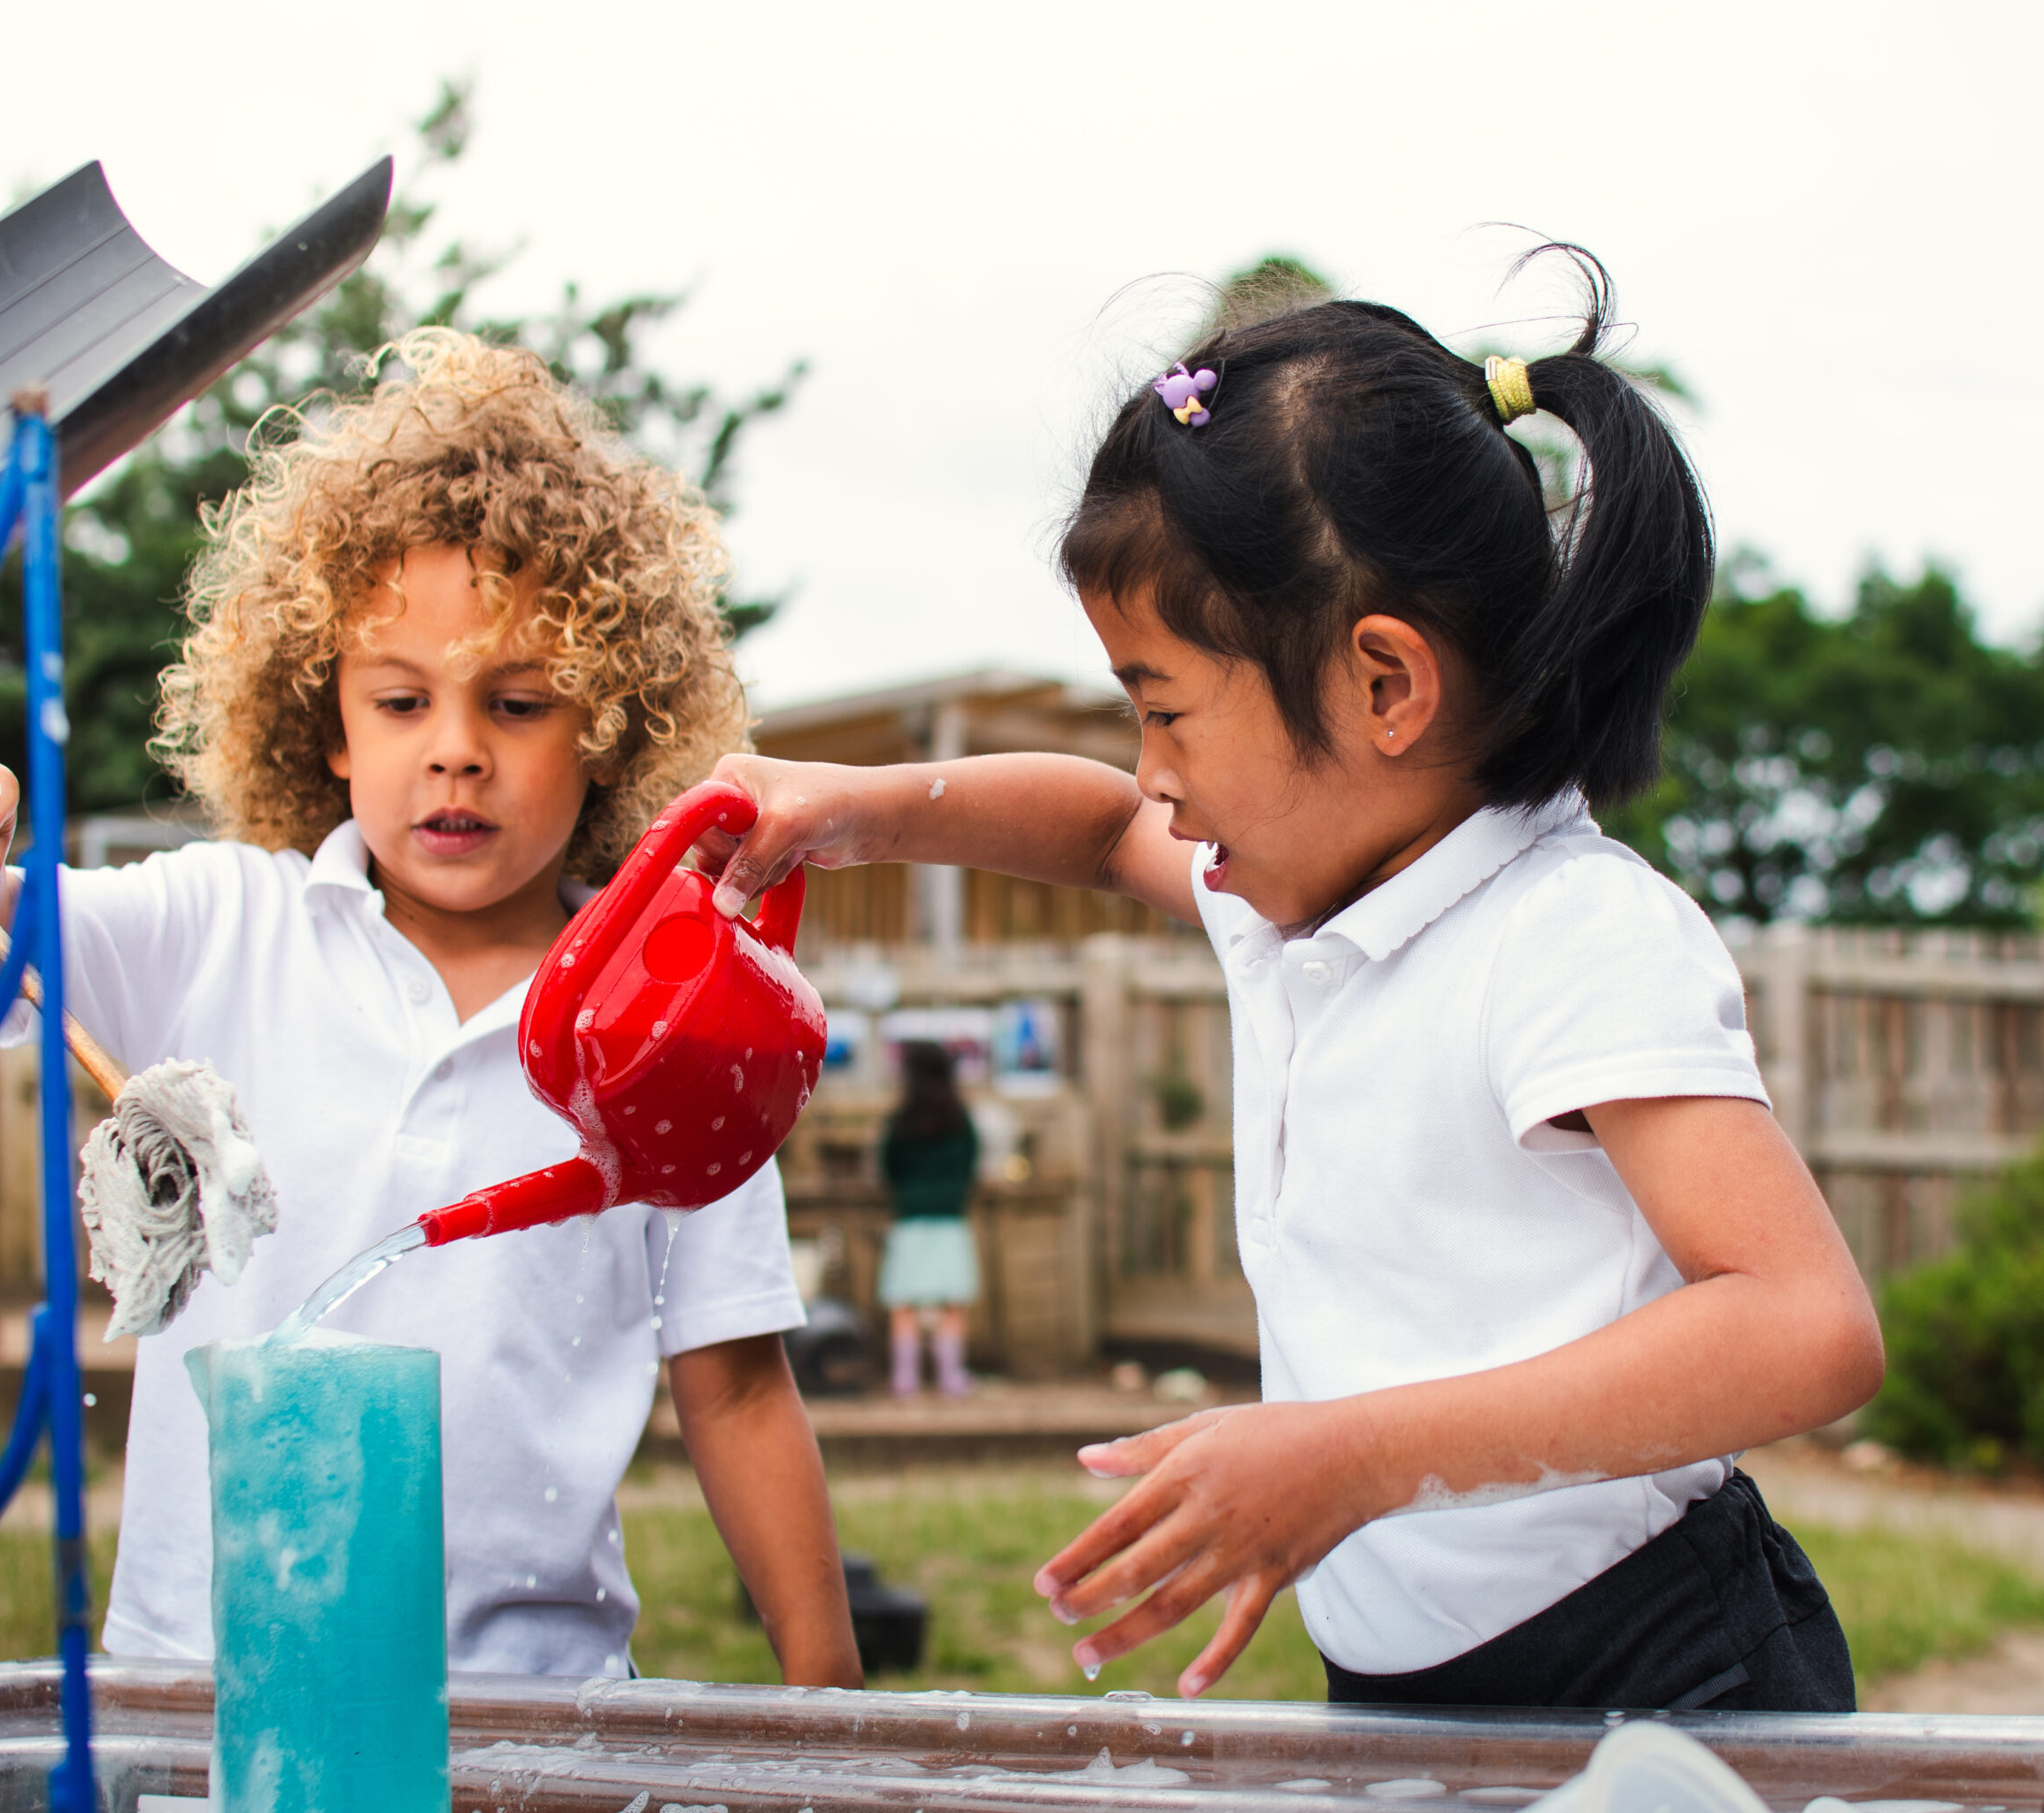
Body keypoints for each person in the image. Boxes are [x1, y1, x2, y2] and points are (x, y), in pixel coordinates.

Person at [688, 256, 1882, 1711]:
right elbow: (1093, 822)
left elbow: (1804, 1322)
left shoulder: (1567, 936)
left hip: (1656, 1678)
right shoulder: (1291, 903)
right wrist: (870, 802)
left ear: (1385, 684)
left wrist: (1352, 1453)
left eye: (1167, 708)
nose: (1154, 774)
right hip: (1402, 1690)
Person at [0, 328, 860, 1686]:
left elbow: (734, 1386)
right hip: (204, 1695)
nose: (455, 746)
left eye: (517, 701)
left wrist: (829, 1699)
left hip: (531, 1719)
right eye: (400, 699)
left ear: (607, 727)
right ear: (327, 721)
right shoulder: (217, 927)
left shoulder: (674, 1023)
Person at [877, 1040, 980, 1396]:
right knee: (951, 1303)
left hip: (909, 1220)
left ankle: (905, 1380)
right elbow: (971, 1162)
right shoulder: (960, 1118)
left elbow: (888, 1165)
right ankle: (951, 1378)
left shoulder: (900, 1120)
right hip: (950, 1220)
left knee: (904, 1304)